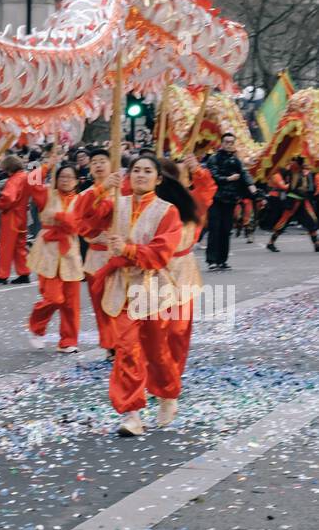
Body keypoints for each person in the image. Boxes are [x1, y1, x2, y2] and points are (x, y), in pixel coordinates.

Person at [79, 152, 188, 437]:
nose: (140, 175)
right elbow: (83, 221)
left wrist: (127, 250)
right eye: (136, 170)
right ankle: (132, 413)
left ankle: (167, 393)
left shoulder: (168, 211)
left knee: (157, 352)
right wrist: (101, 188)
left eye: (147, 171)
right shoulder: (115, 202)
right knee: (126, 350)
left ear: (158, 178)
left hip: (152, 287)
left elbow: (163, 252)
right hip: (120, 288)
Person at [159, 153, 216, 380]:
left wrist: (198, 170)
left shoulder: (193, 203)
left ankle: (171, 377)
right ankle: (153, 374)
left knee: (178, 330)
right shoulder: (145, 202)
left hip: (183, 272)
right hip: (150, 272)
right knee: (152, 330)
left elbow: (207, 189)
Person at [26, 160, 83, 354]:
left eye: (70, 177)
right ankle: (37, 327)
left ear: (77, 181)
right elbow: (31, 181)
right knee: (53, 298)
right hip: (48, 250)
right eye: (62, 176)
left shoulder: (81, 200)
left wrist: (59, 215)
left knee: (71, 302)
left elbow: (77, 225)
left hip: (70, 251)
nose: (66, 180)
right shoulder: (47, 194)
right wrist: (47, 165)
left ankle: (68, 340)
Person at [72, 147, 116, 355]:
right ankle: (110, 344)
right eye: (94, 162)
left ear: (112, 164)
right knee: (101, 302)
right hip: (97, 256)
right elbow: (79, 220)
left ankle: (124, 340)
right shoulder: (85, 194)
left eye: (102, 161)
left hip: (123, 256)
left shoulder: (126, 191)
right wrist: (90, 236)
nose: (99, 165)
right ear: (89, 168)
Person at [205, 132, 256, 269]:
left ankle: (222, 260)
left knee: (226, 229)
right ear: (221, 143)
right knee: (214, 229)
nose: (229, 144)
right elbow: (213, 175)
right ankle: (212, 260)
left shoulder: (236, 160)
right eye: (226, 142)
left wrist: (251, 186)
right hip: (215, 199)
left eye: (231, 142)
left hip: (230, 199)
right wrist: (228, 179)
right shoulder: (214, 159)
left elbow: (244, 173)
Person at [0, 154, 32, 284]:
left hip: (11, 216)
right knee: (20, 246)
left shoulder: (14, 179)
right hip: (22, 215)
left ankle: (2, 275)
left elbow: (9, 198)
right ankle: (24, 273)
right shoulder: (25, 176)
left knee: (6, 247)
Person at [266, 157, 319, 252]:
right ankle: (271, 243)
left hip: (303, 202)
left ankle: (316, 244)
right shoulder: (293, 171)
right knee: (283, 222)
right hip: (293, 201)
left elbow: (309, 188)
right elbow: (294, 187)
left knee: (311, 220)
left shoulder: (306, 173)